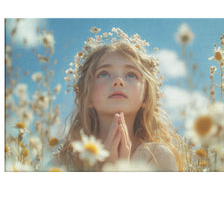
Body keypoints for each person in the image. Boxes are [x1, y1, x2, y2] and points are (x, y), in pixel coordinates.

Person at [58, 28, 185, 171]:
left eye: (131, 75)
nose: (118, 81)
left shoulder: (157, 156)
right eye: (104, 74)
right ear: (87, 97)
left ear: (146, 98)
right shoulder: (66, 161)